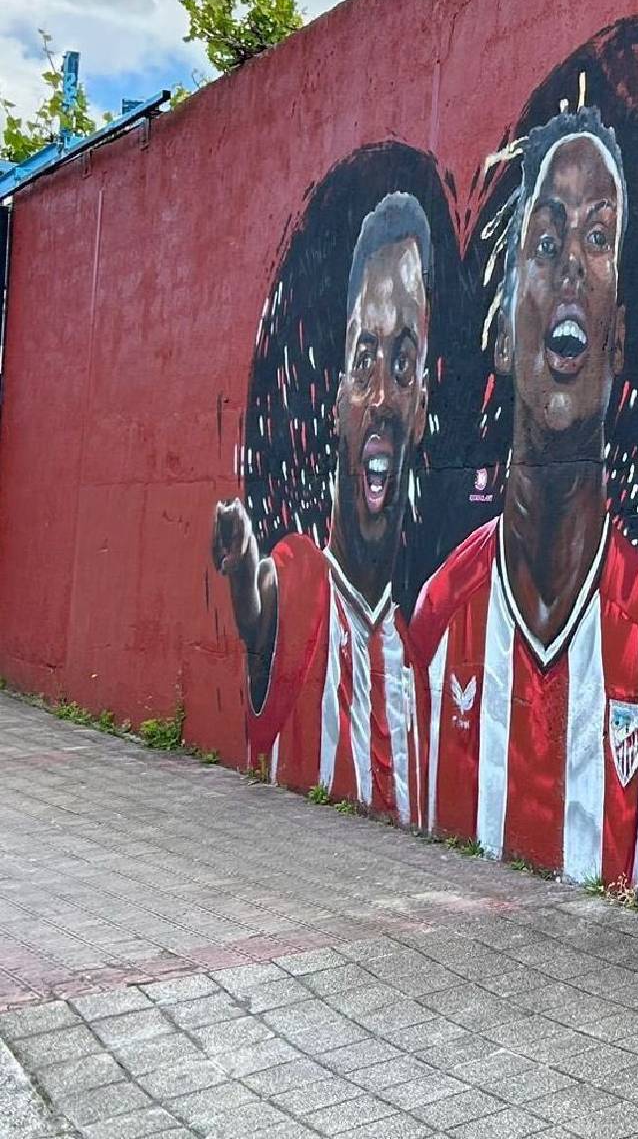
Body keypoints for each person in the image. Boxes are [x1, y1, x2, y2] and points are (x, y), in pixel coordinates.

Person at [409, 107, 638, 910]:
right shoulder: (436, 622)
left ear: (619, 339)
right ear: (501, 335)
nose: (569, 268)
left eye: (599, 239)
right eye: (546, 239)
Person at [211, 192, 434, 826]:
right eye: (365, 360)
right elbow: (260, 611)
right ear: (338, 401)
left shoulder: (413, 658)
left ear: (420, 407)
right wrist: (240, 563)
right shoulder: (301, 578)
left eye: (404, 361)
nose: (384, 393)